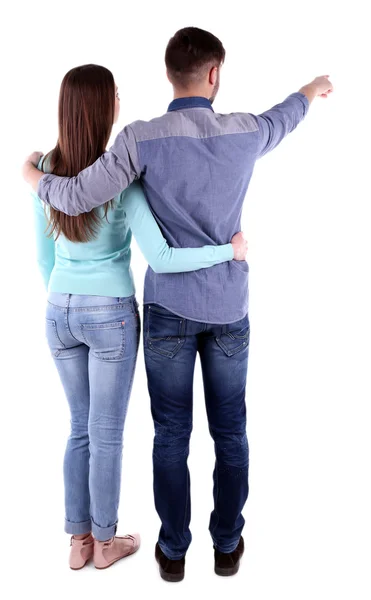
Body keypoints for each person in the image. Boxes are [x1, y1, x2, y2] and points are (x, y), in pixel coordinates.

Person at [23, 28, 333, 582]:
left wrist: (32, 177)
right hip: (226, 308)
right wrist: (309, 90)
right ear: (214, 74)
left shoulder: (139, 141)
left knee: (167, 434)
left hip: (164, 310)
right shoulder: (246, 131)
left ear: (169, 75)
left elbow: (72, 197)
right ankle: (228, 544)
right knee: (231, 431)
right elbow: (285, 116)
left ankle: (170, 553)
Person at [31, 63, 247, 572]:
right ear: (106, 109)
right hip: (111, 316)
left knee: (77, 429)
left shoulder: (43, 169)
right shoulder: (123, 181)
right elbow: (165, 258)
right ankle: (106, 545)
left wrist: (66, 299)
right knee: (106, 432)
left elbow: (43, 257)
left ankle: (77, 543)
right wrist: (227, 252)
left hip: (58, 311)